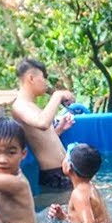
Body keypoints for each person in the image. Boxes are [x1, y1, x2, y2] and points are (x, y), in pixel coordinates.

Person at [11, 57, 76, 190]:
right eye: (43, 77)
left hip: (63, 170)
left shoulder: (31, 105)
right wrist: (57, 95)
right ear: (31, 78)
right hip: (53, 174)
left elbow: (41, 138)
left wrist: (59, 129)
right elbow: (42, 123)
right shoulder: (19, 105)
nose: (46, 82)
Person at [46, 142, 110, 223]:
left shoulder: (79, 193)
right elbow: (85, 222)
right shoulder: (89, 186)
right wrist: (63, 217)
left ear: (69, 167)